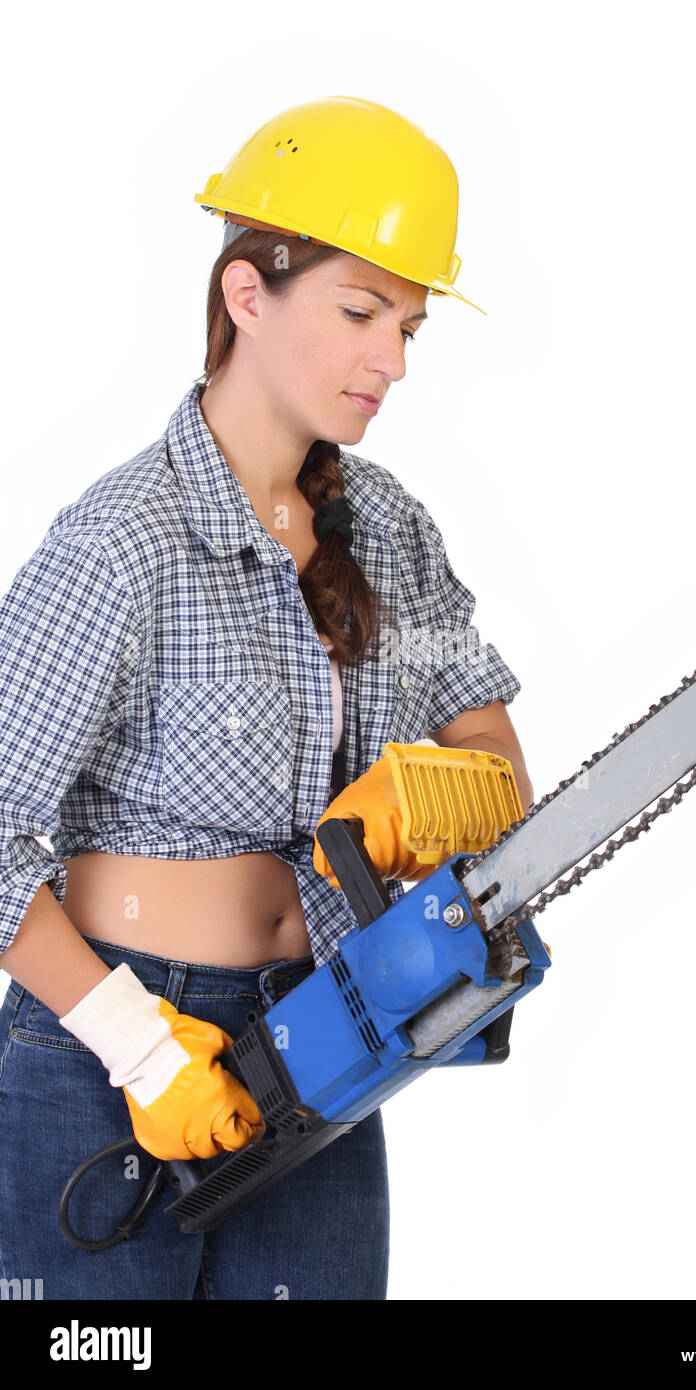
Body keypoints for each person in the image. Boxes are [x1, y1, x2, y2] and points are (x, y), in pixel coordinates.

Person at [0, 95, 532, 1301]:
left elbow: (501, 763)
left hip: (331, 1041)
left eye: (408, 325)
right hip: (104, 1051)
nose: (389, 361)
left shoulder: (390, 532)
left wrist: (430, 796)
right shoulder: (118, 545)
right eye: (358, 313)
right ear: (248, 293)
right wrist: (133, 1043)